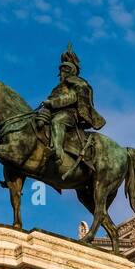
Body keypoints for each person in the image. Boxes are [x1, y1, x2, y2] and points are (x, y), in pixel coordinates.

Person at [37, 44, 106, 175]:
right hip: (52, 111)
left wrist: (52, 103)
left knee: (58, 121)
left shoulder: (77, 82)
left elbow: (72, 97)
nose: (62, 73)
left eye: (65, 69)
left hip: (70, 114)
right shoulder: (58, 87)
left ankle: (57, 152)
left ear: (71, 71)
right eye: (61, 69)